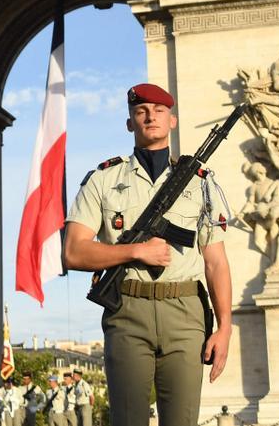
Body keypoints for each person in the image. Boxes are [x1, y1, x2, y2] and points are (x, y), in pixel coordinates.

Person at [64, 83, 234, 426]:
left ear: (172, 120)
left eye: (158, 110)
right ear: (130, 123)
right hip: (128, 310)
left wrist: (226, 327)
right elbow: (73, 252)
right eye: (141, 111)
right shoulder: (103, 179)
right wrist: (135, 251)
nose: (150, 117)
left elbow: (215, 261)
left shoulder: (200, 182)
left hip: (186, 313)